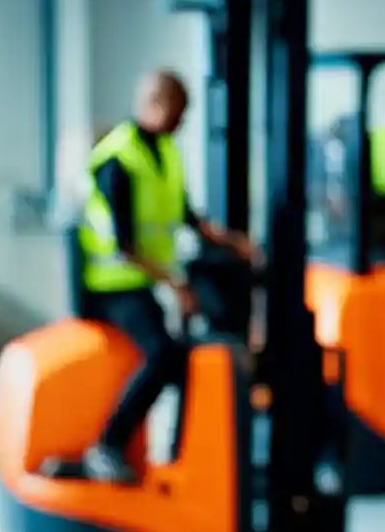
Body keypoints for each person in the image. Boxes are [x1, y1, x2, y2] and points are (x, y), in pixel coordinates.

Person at [76, 70, 255, 484]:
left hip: (140, 283)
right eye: (180, 110)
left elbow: (188, 217)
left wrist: (234, 242)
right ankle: (106, 447)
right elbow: (124, 245)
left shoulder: (164, 152)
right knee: (163, 354)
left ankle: (183, 455)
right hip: (111, 287)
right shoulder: (117, 157)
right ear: (157, 104)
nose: (184, 120)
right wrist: (176, 285)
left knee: (192, 359)